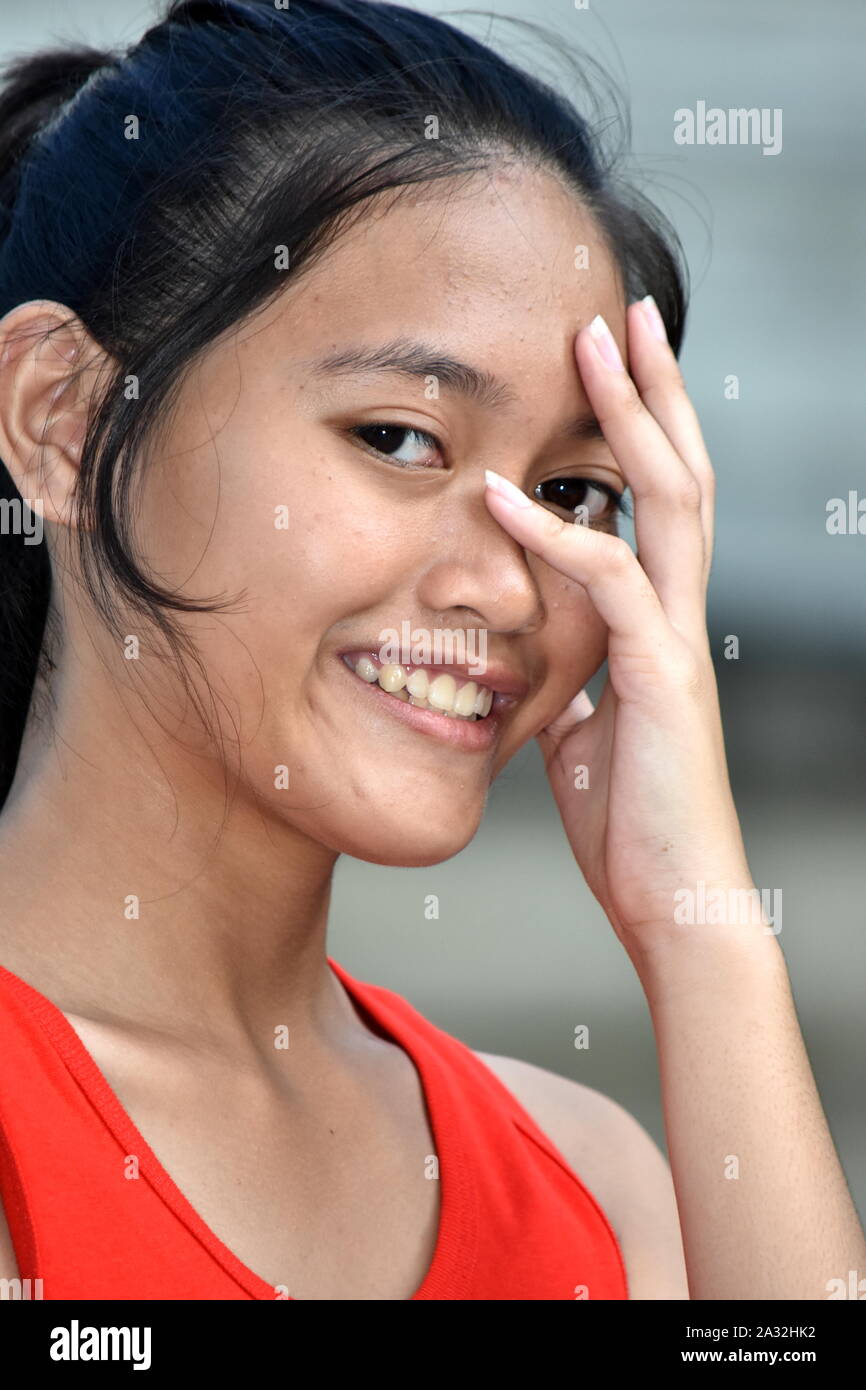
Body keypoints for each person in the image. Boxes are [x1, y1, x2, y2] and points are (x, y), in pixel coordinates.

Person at [0, 0, 862, 1301]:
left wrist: (703, 937)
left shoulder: (600, 1190)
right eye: (400, 439)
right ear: (63, 420)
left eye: (573, 494)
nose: (507, 584)